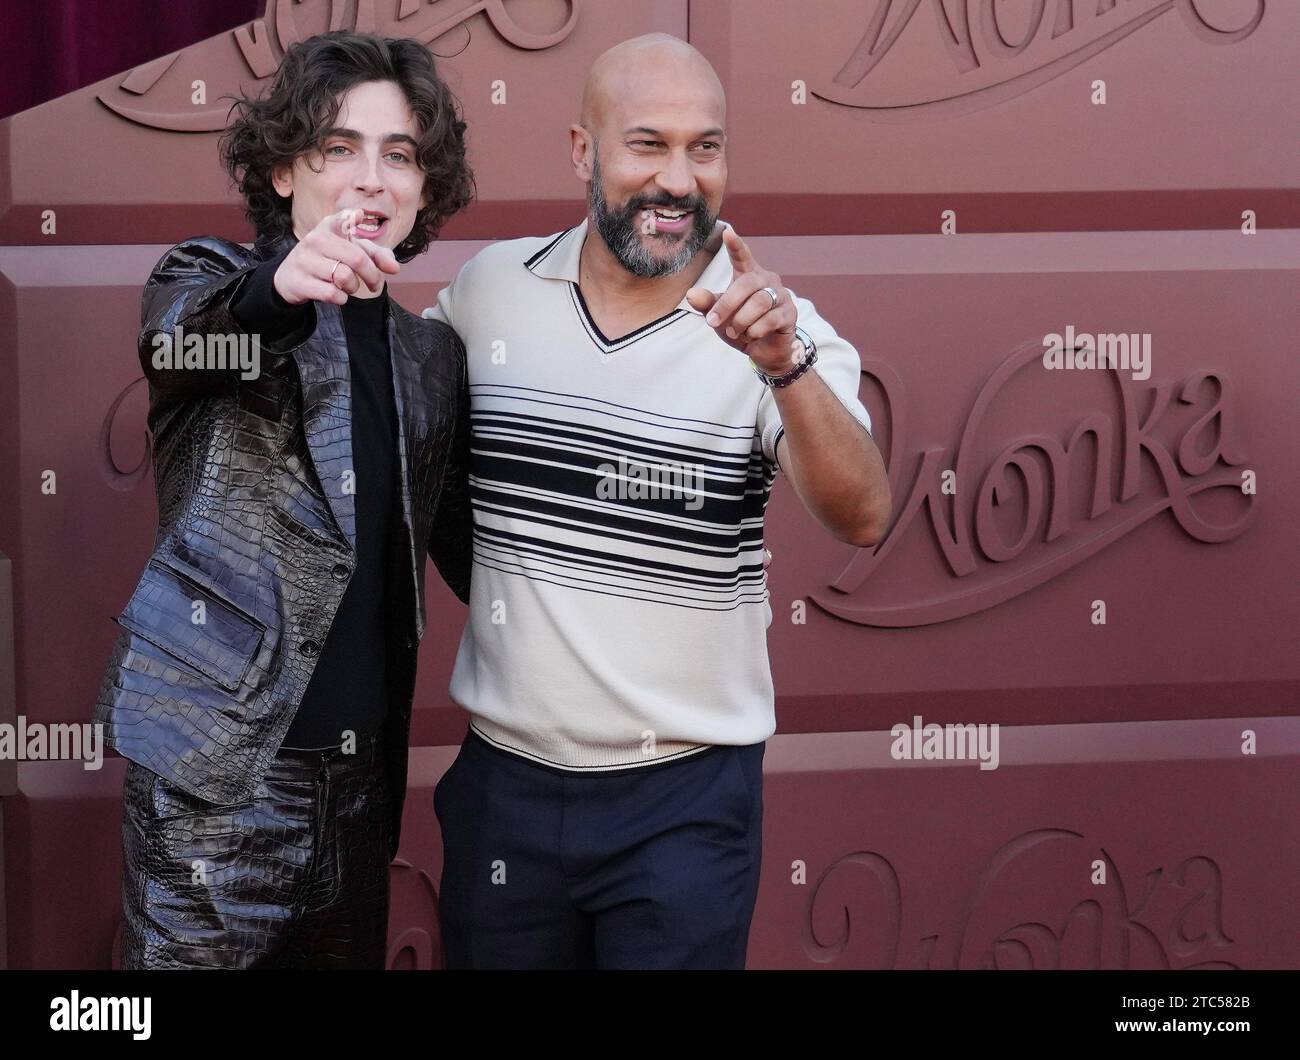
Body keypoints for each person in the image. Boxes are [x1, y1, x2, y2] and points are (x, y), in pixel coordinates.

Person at [423, 33, 892, 969]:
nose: (679, 179)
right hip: (504, 792)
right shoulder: (489, 293)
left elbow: (864, 514)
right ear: (581, 151)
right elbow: (403, 438)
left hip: (683, 806)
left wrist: (784, 368)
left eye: (705, 147)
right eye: (648, 144)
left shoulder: (775, 328)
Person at [93, 30, 475, 969]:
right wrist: (277, 292)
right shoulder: (206, 284)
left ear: (426, 188)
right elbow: (178, 349)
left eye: (400, 155)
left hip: (359, 797)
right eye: (338, 148)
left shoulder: (434, 360)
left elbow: (468, 553)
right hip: (215, 786)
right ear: (280, 172)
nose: (370, 179)